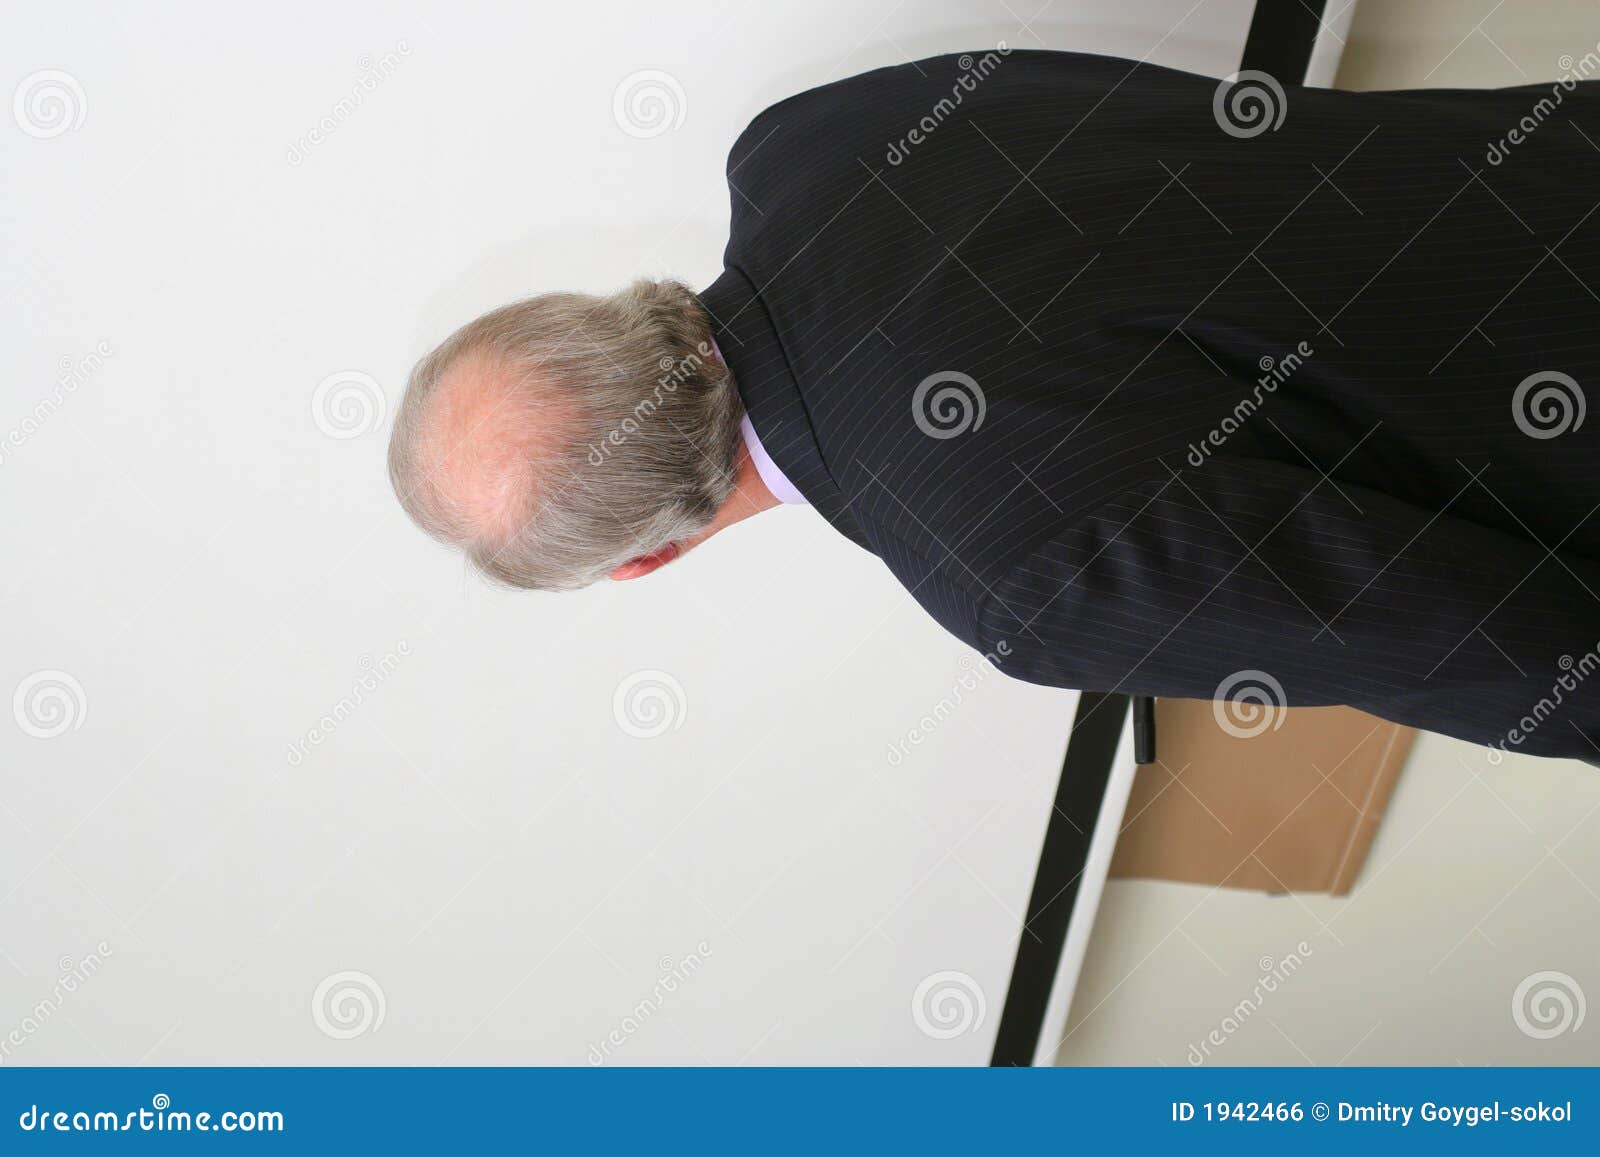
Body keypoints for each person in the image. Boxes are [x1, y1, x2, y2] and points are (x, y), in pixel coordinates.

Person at [388, 49, 1600, 762]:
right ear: (592, 313)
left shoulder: (1020, 576)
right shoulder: (810, 141)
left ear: (643, 562)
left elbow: (1518, 652)